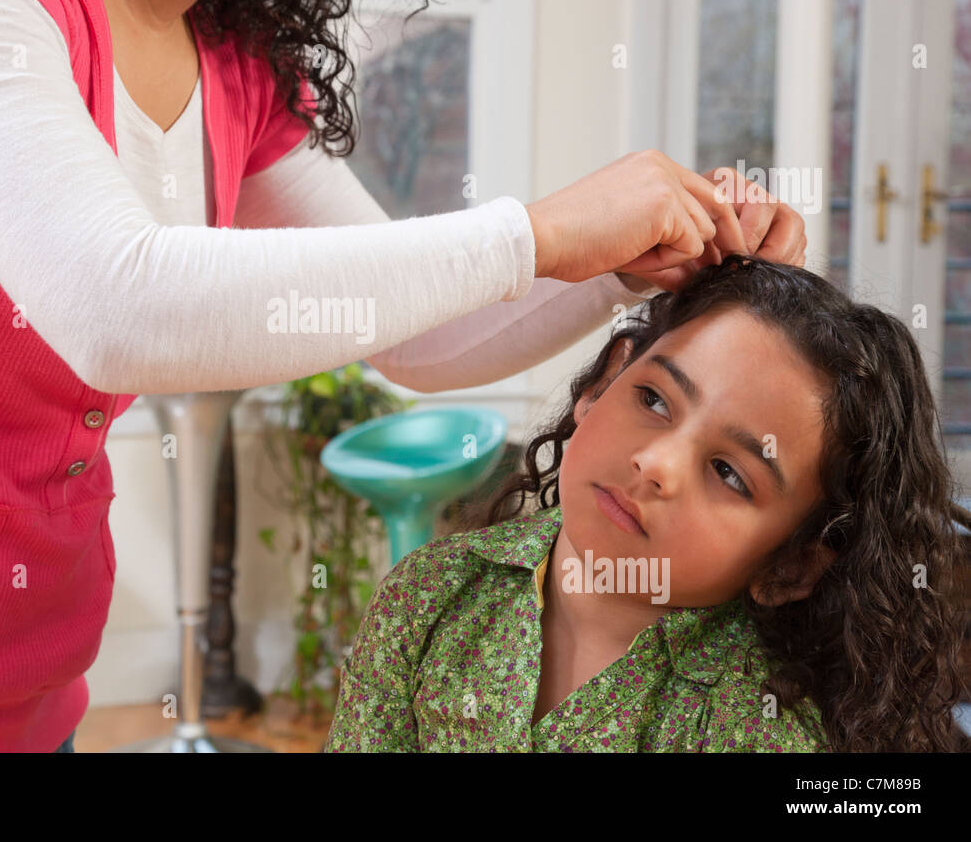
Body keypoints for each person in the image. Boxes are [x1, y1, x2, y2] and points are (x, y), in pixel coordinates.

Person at [0, 0, 803, 751]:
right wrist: (540, 230)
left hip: (12, 683)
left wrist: (621, 270)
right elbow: (117, 304)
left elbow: (416, 339)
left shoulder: (225, 66)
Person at [325, 255, 970, 752]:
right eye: (655, 401)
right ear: (605, 383)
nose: (656, 465)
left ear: (792, 567)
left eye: (729, 472)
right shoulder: (430, 593)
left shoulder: (759, 728)